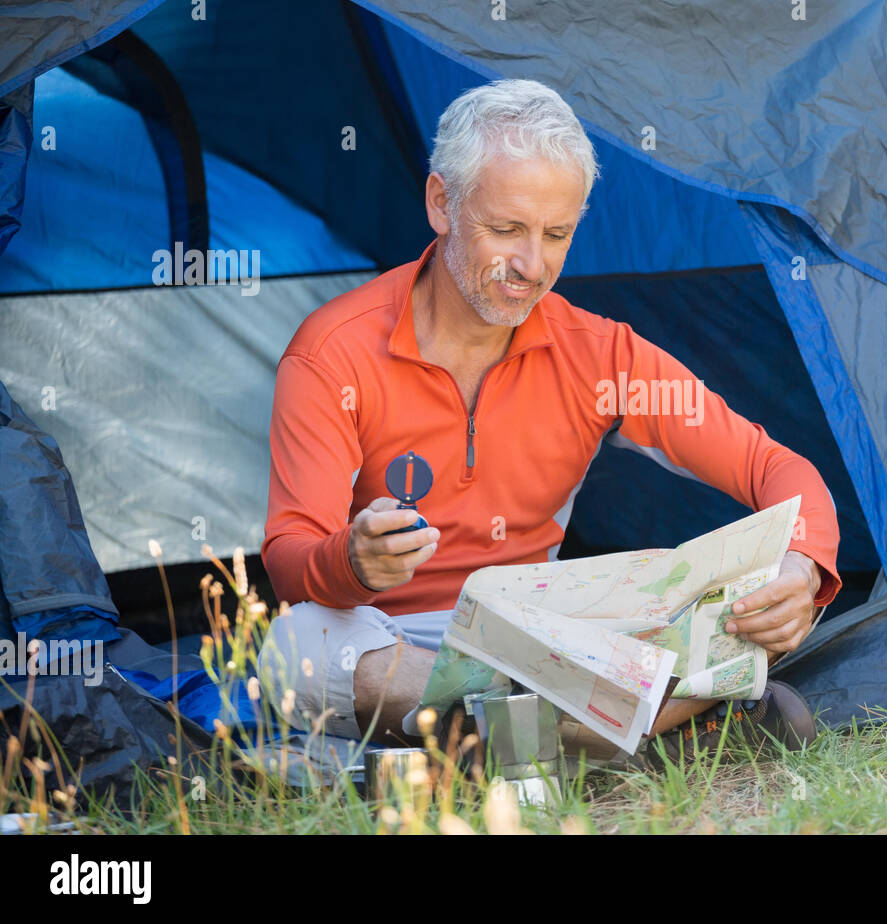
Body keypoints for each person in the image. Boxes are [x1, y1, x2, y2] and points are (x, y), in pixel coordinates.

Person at [255, 78, 842, 763]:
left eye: (556, 234)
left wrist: (803, 569)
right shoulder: (332, 352)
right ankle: (628, 734)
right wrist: (350, 560)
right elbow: (291, 561)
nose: (531, 267)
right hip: (389, 635)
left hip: (543, 640)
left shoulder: (602, 357)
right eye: (505, 230)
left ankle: (496, 746)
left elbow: (775, 469)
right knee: (293, 648)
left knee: (722, 607)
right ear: (442, 203)